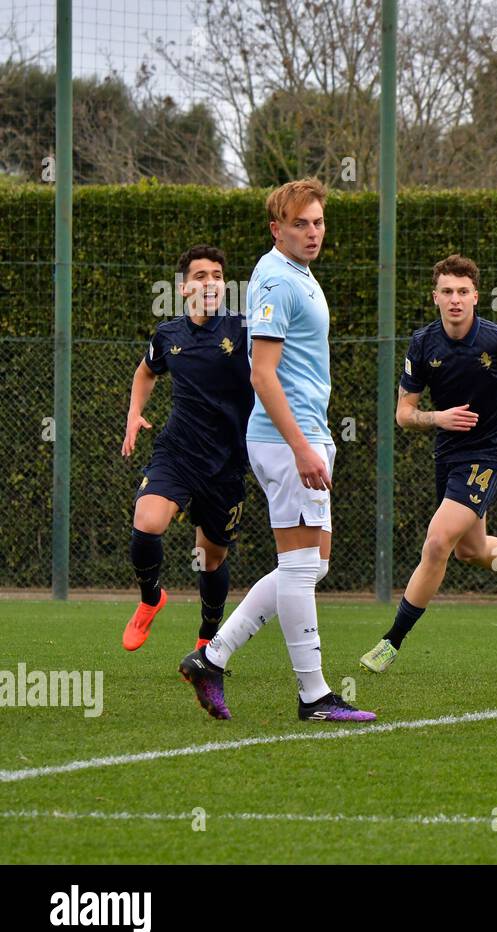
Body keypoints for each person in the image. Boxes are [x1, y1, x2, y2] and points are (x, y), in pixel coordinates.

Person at [179, 178, 376, 721]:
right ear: (277, 229)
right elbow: (262, 375)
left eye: (318, 222)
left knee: (313, 565)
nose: (312, 232)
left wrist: (314, 441)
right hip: (287, 441)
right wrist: (300, 447)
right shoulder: (273, 279)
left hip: (309, 436)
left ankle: (211, 657)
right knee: (297, 566)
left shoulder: (300, 274)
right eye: (300, 224)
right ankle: (313, 695)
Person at [359, 254, 497, 674]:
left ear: (475, 297)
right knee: (471, 549)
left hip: (492, 454)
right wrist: (439, 418)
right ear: (435, 297)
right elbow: (404, 413)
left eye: (463, 292)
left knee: (436, 542)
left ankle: (391, 642)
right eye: (447, 292)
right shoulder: (423, 344)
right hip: (450, 457)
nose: (455, 300)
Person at [121, 245, 251, 653]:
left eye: (216, 275)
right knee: (146, 523)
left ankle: (208, 634)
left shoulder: (244, 330)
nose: (209, 282)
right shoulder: (168, 335)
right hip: (177, 452)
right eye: (200, 276)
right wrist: (134, 411)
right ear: (182, 288)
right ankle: (150, 597)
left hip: (228, 462)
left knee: (210, 558)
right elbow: (146, 371)